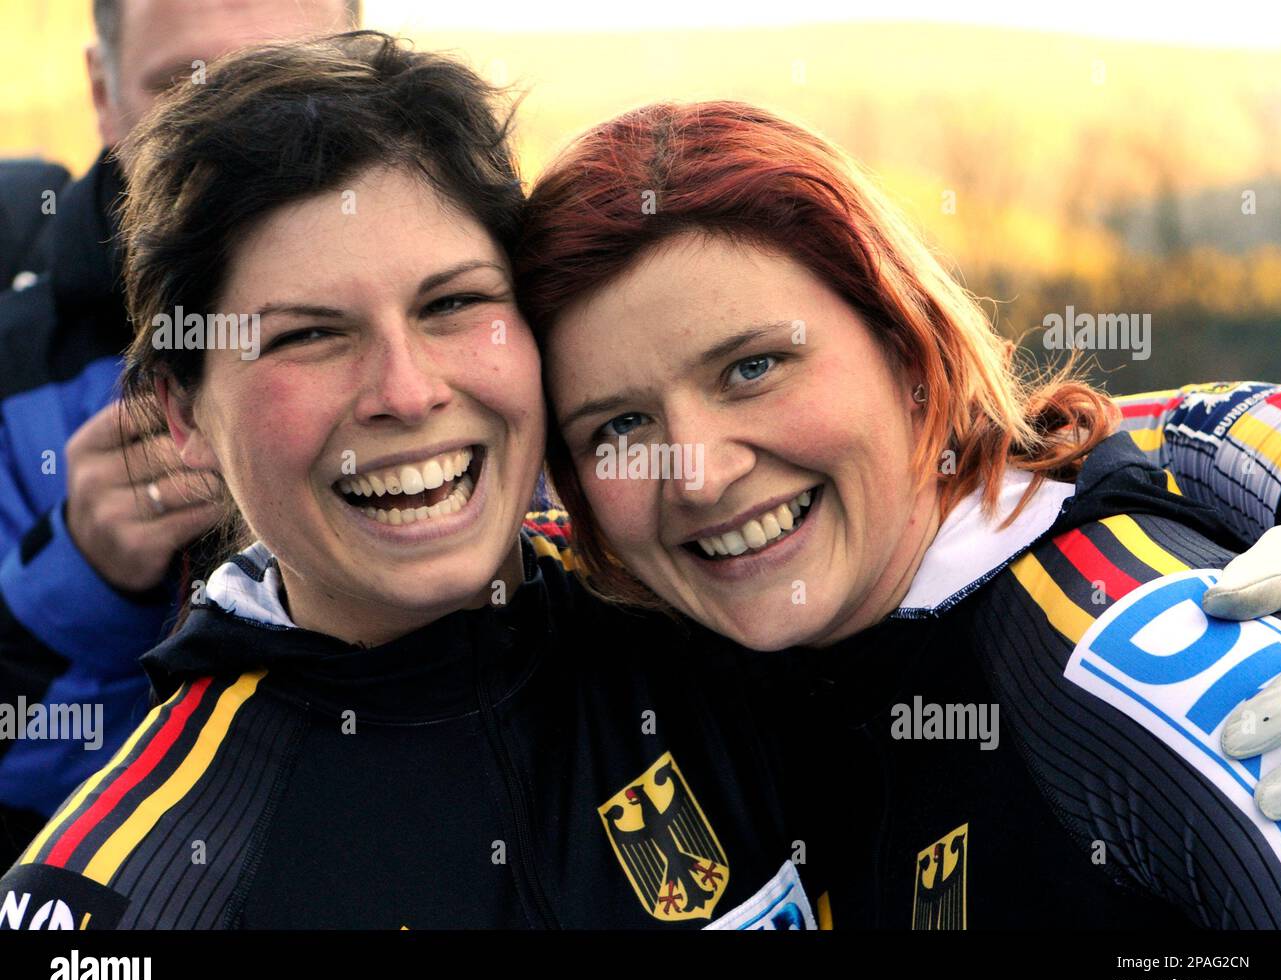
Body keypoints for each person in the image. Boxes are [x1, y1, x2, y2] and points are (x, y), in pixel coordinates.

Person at [0, 34, 818, 930]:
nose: (407, 391)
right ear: (184, 415)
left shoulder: (722, 603)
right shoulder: (128, 898)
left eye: (453, 304)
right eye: (309, 335)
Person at [514, 100, 1281, 927]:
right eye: (620, 426)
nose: (700, 477)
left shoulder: (1132, 664)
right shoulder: (706, 626)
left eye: (753, 368)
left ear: (905, 339)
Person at [0, 0, 359, 864]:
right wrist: (84, 580)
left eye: (289, 85)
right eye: (181, 88)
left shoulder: (476, 322)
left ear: (368, 76)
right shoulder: (19, 366)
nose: (237, 139)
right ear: (103, 90)